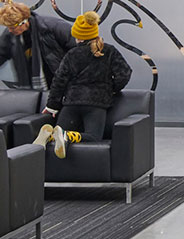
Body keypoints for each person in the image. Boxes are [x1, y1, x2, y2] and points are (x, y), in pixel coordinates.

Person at [32, 11, 132, 159]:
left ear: (78, 37)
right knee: (93, 137)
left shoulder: (72, 54)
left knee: (58, 136)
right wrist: (111, 89)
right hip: (96, 104)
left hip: (71, 103)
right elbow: (124, 74)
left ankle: (49, 135)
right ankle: (67, 136)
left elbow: (59, 81)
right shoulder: (109, 51)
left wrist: (52, 106)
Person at [0, 0, 75, 92]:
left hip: (62, 86)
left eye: (12, 27)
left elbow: (78, 50)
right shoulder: (11, 36)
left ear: (24, 22)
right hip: (33, 89)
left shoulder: (53, 27)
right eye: (8, 27)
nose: (10, 30)